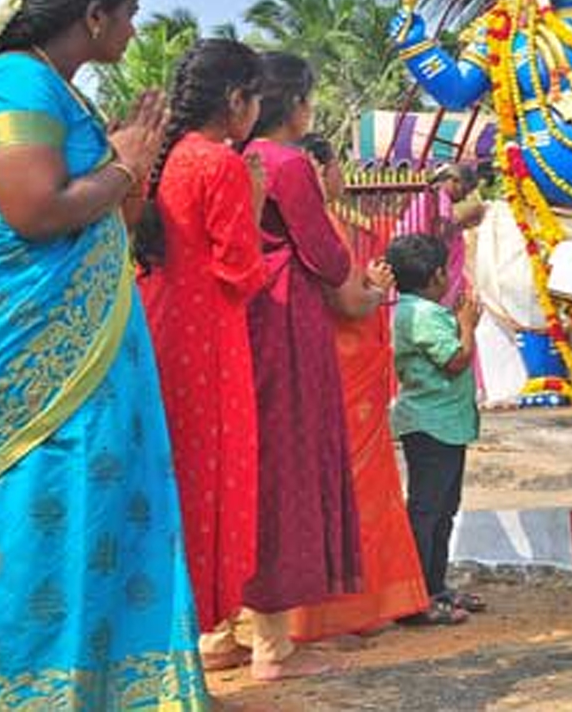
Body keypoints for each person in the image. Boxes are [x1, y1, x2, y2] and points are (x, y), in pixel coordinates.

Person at [0, 0, 210, 708]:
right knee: (23, 501)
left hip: (82, 326)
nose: (135, 31)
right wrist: (127, 164)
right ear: (95, 14)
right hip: (3, 322)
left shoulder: (63, 93)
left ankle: (99, 688)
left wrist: (126, 172)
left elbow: (110, 211)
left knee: (94, 494)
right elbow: (34, 210)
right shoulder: (13, 82)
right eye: (131, 14)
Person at [135, 39, 267, 671]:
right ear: (236, 99)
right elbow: (240, 272)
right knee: (210, 481)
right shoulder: (220, 165)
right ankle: (199, 630)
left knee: (166, 476)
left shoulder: (165, 160)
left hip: (155, 332)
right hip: (209, 342)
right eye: (255, 98)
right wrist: (257, 202)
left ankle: (163, 627)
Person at [242, 52, 362, 680]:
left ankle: (225, 626)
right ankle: (271, 640)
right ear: (295, 105)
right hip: (285, 315)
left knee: (245, 459)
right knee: (285, 463)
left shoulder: (225, 156)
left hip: (237, 314)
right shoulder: (286, 163)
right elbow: (328, 256)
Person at [288, 135, 434, 641]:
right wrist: (376, 289)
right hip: (341, 372)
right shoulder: (320, 221)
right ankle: (354, 606)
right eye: (336, 168)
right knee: (357, 488)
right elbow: (349, 302)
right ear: (318, 168)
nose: (342, 178)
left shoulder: (298, 220)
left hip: (328, 368)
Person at [385, 233, 485, 625]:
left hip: (444, 423)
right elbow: (456, 360)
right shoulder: (422, 315)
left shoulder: (418, 310)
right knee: (428, 510)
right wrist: (466, 325)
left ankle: (434, 586)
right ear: (437, 275)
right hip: (432, 424)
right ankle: (415, 598)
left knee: (442, 508)